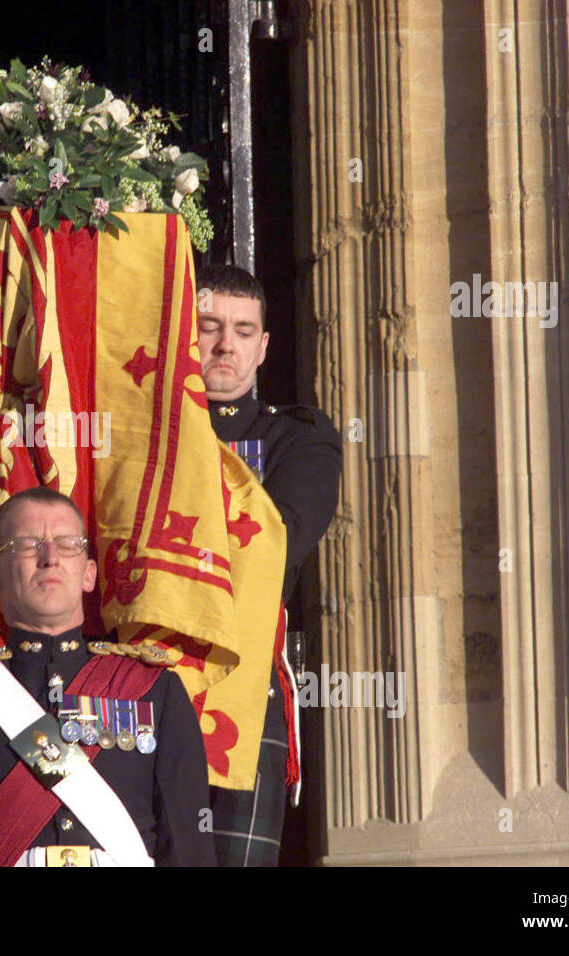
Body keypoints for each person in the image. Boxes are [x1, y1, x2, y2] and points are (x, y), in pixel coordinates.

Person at [0, 487, 216, 867]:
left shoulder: (154, 690)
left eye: (68, 544)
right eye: (26, 545)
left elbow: (189, 845)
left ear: (89, 573)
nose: (50, 557)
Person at [195, 262, 342, 866]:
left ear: (263, 347)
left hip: (242, 683)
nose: (226, 343)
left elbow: (274, 551)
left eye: (243, 329)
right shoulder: (135, 435)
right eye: (208, 325)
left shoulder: (298, 440)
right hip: (141, 681)